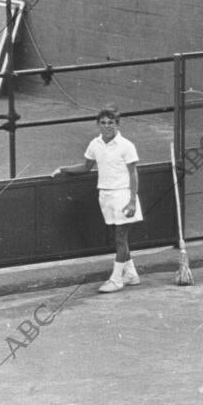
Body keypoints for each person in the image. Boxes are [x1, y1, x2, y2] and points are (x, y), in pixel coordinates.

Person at [51, 107, 143, 293]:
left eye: (111, 123)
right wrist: (63, 169)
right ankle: (131, 274)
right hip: (105, 195)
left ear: (118, 124)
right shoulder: (95, 144)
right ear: (98, 124)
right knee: (120, 239)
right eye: (103, 123)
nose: (107, 126)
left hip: (123, 196)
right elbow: (86, 166)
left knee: (120, 238)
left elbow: (133, 174)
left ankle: (116, 280)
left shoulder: (127, 145)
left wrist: (132, 200)